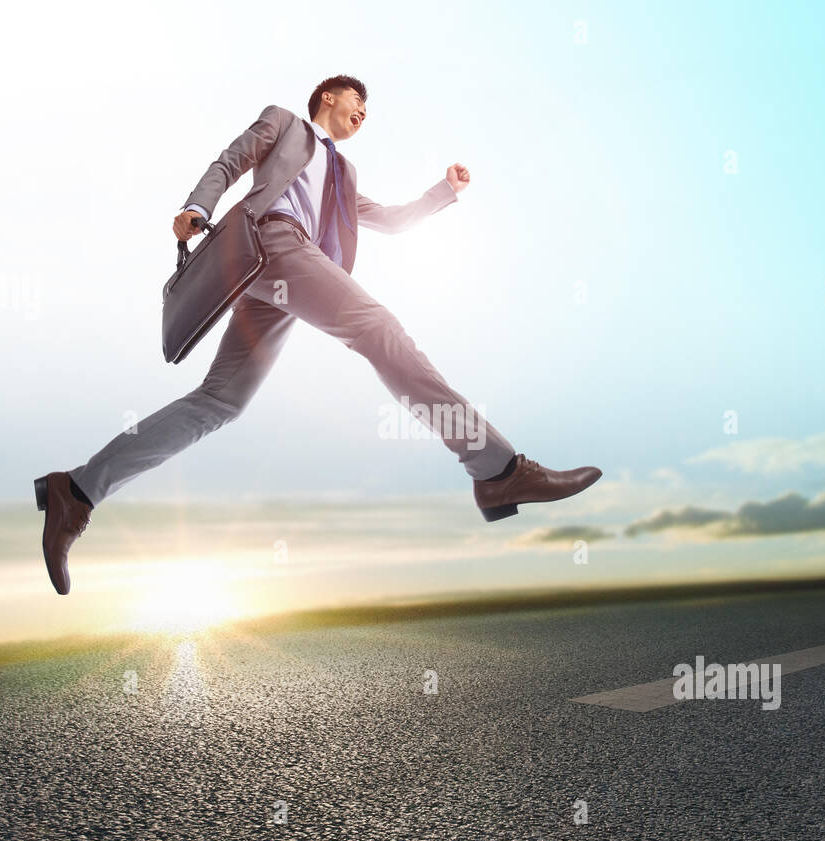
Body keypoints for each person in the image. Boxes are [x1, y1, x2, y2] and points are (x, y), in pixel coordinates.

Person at [35, 75, 601, 595]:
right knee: (378, 329)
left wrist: (443, 191)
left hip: (282, 276)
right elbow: (230, 161)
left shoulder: (343, 175)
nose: (364, 112)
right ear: (328, 97)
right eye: (359, 101)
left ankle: (77, 491)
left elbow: (391, 220)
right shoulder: (285, 123)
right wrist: (195, 207)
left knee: (219, 401)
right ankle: (498, 470)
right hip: (269, 241)